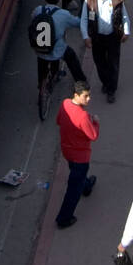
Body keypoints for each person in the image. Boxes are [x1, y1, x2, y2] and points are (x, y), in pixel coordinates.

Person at [55, 81, 99, 230]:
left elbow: (59, 121)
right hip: (80, 155)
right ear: (76, 95)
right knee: (73, 189)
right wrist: (96, 123)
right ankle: (64, 218)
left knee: (77, 175)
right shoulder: (83, 116)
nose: (89, 99)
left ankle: (86, 187)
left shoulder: (65, 104)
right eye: (86, 96)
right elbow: (93, 135)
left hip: (67, 151)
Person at [80, 0, 129, 103]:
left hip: (113, 37)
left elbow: (124, 16)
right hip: (97, 37)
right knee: (100, 63)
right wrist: (86, 36)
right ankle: (106, 82)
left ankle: (111, 90)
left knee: (113, 64)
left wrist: (126, 31)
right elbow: (84, 19)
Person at [30, 0, 83, 92]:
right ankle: (81, 83)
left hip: (40, 48)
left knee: (41, 59)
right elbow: (78, 23)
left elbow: (33, 19)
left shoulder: (38, 10)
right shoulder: (64, 14)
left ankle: (40, 83)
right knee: (71, 57)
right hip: (56, 49)